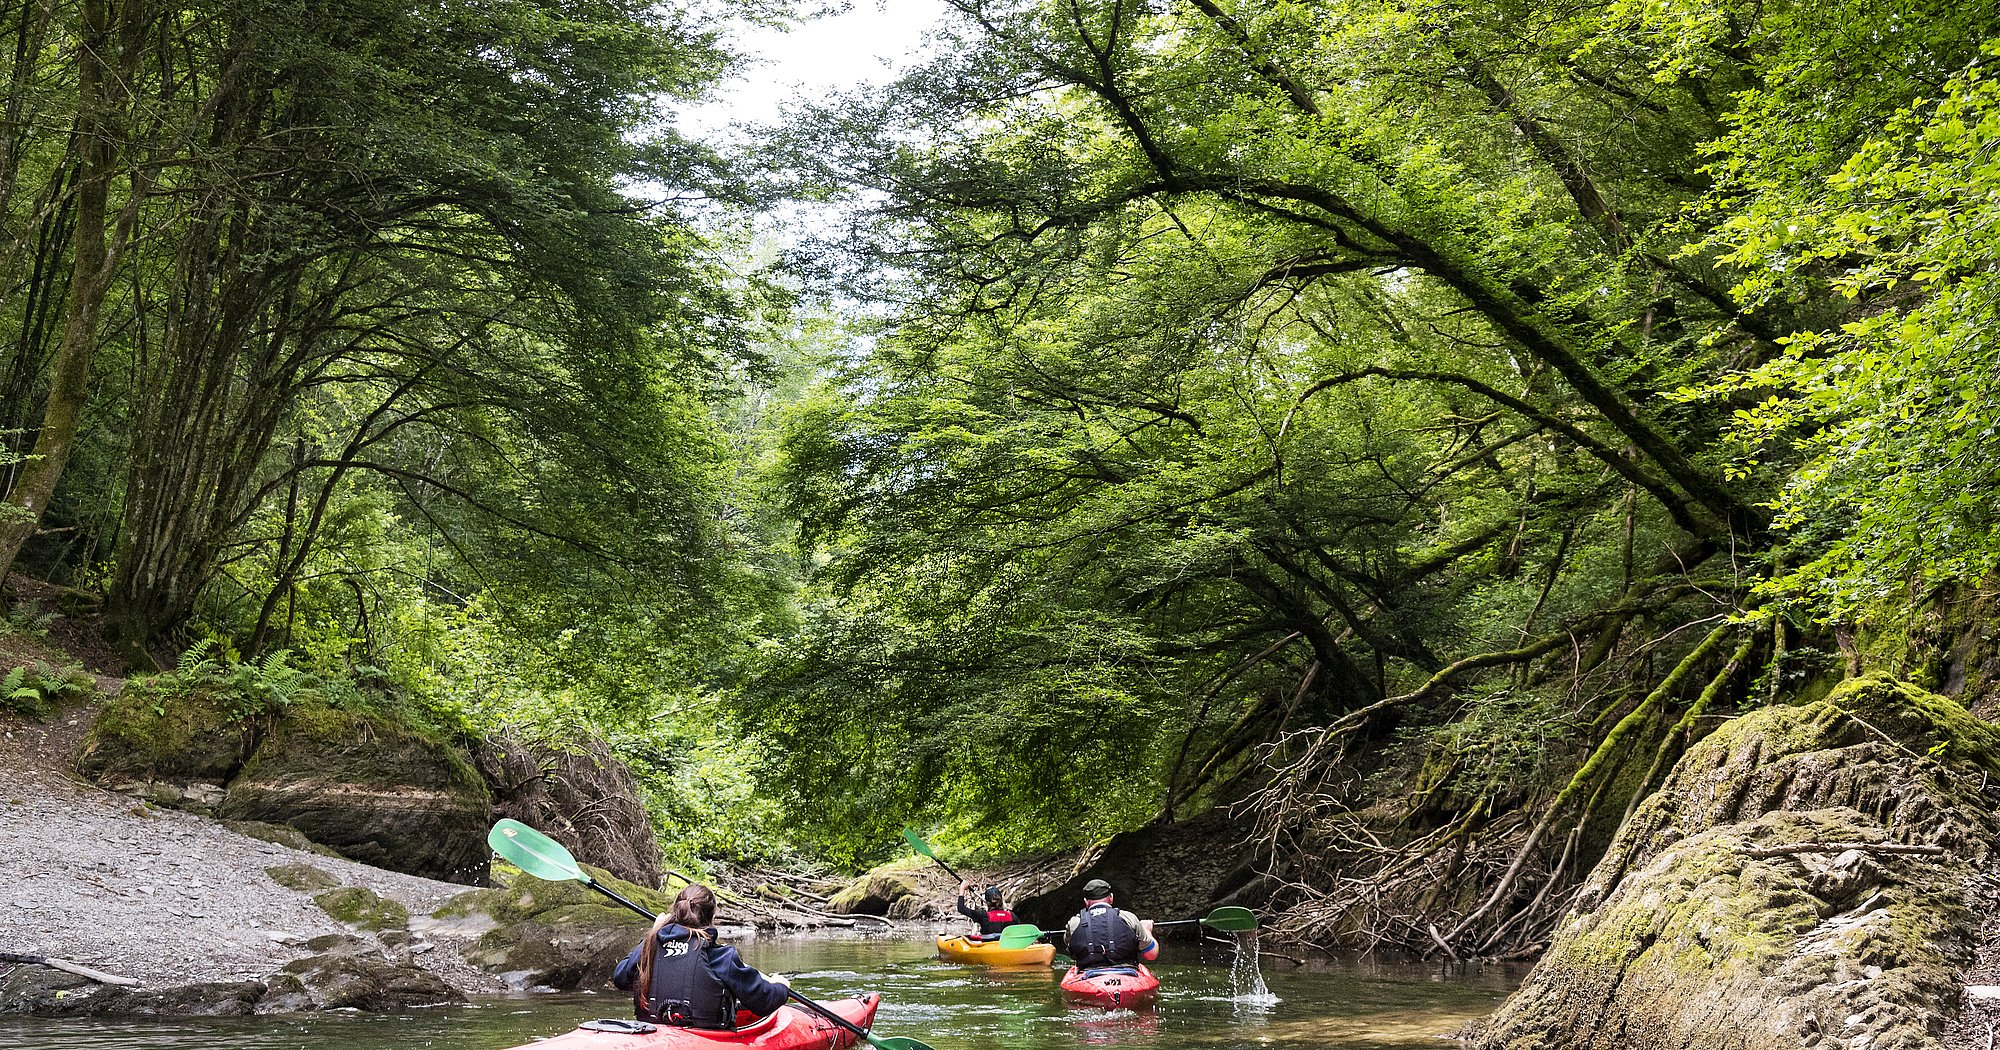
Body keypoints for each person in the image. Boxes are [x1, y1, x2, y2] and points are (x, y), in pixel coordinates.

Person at [611, 884, 790, 1029]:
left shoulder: (651, 948)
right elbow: (764, 1002)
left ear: (675, 913)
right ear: (712, 916)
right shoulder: (721, 957)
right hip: (704, 1038)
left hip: (654, 1032)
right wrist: (781, 986)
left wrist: (654, 933)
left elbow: (620, 977)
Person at [1062, 878, 1158, 969]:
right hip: (1126, 973)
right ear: (1111, 897)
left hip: (1087, 975)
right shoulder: (1128, 918)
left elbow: (1071, 951)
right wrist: (1147, 930)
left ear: (1086, 902)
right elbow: (1151, 955)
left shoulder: (1074, 923)